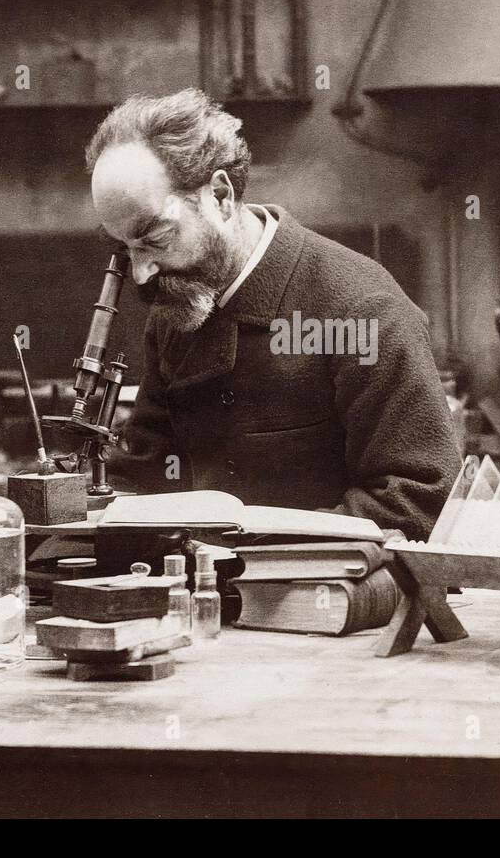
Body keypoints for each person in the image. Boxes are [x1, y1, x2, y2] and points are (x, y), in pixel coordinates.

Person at [86, 89, 460, 540]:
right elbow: (143, 478)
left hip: (325, 597)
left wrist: (258, 555)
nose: (141, 274)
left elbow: (416, 500)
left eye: (155, 239)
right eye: (124, 249)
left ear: (220, 196)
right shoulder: (178, 309)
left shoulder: (360, 312)